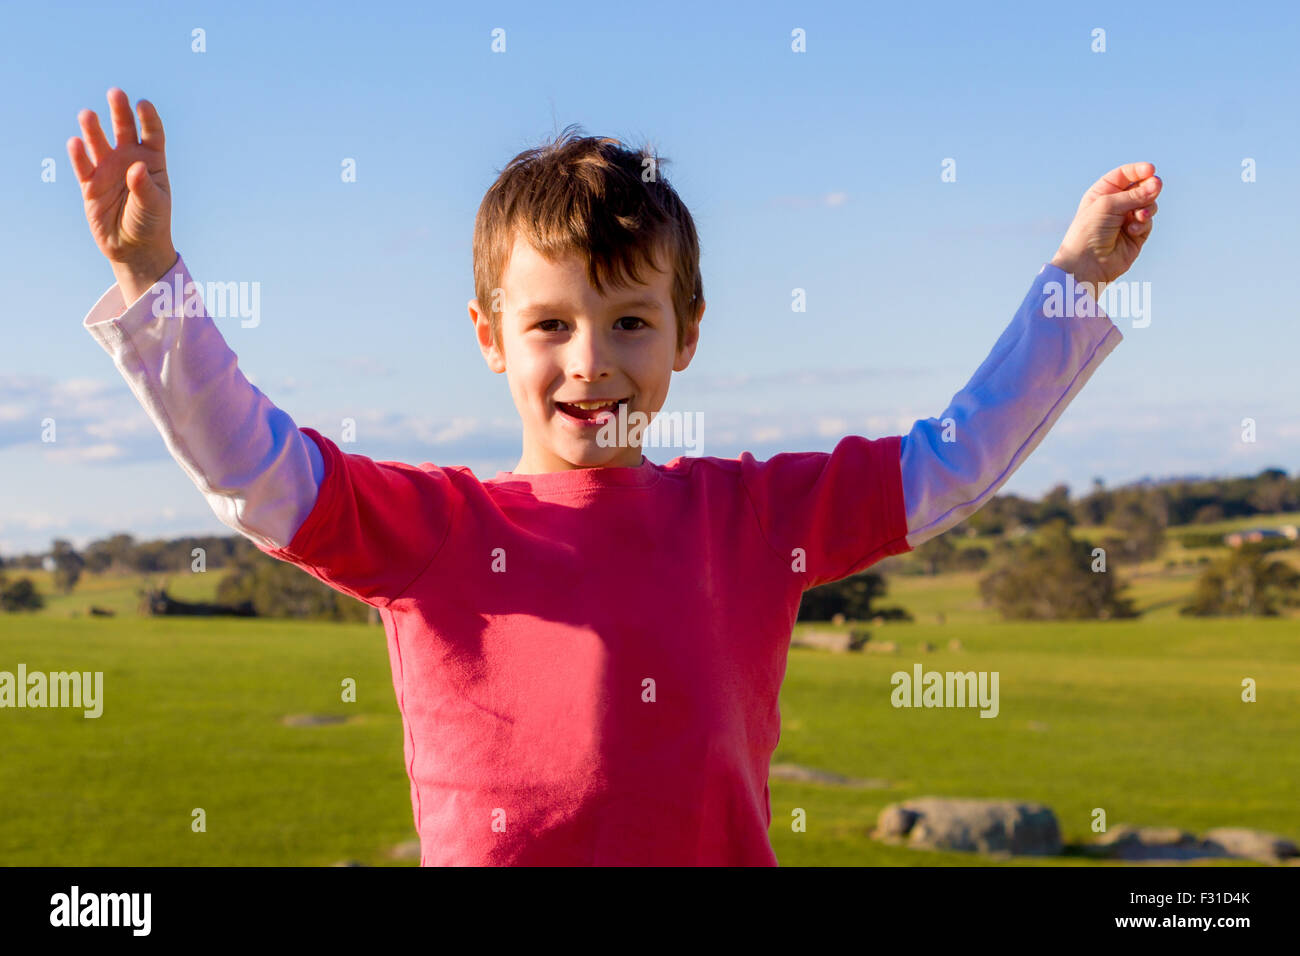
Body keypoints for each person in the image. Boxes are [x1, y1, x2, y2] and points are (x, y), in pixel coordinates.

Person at [69, 88, 1160, 865]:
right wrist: (153, 281)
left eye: (629, 320)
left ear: (686, 332)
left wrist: (1069, 284)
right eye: (550, 323)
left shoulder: (748, 515)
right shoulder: (433, 528)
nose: (590, 360)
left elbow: (946, 464)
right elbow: (253, 470)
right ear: (488, 337)